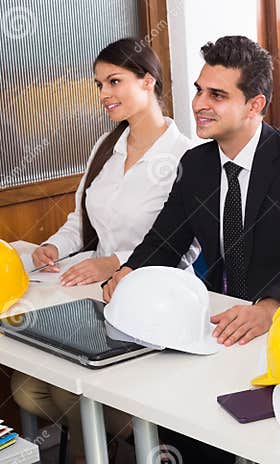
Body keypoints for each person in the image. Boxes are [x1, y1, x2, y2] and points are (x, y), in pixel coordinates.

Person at [14, 37, 193, 464]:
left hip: (147, 295)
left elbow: (184, 248)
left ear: (148, 80)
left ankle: (110, 441)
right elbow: (81, 221)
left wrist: (116, 262)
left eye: (114, 81)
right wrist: (52, 247)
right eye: (99, 84)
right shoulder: (105, 148)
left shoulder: (186, 156)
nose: (103, 95)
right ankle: (122, 436)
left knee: (65, 389)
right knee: (25, 387)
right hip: (87, 290)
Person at [103, 36, 280, 349]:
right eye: (199, 90)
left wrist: (269, 309)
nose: (199, 103)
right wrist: (130, 272)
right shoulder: (195, 163)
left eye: (217, 95)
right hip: (216, 321)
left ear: (254, 105)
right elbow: (165, 240)